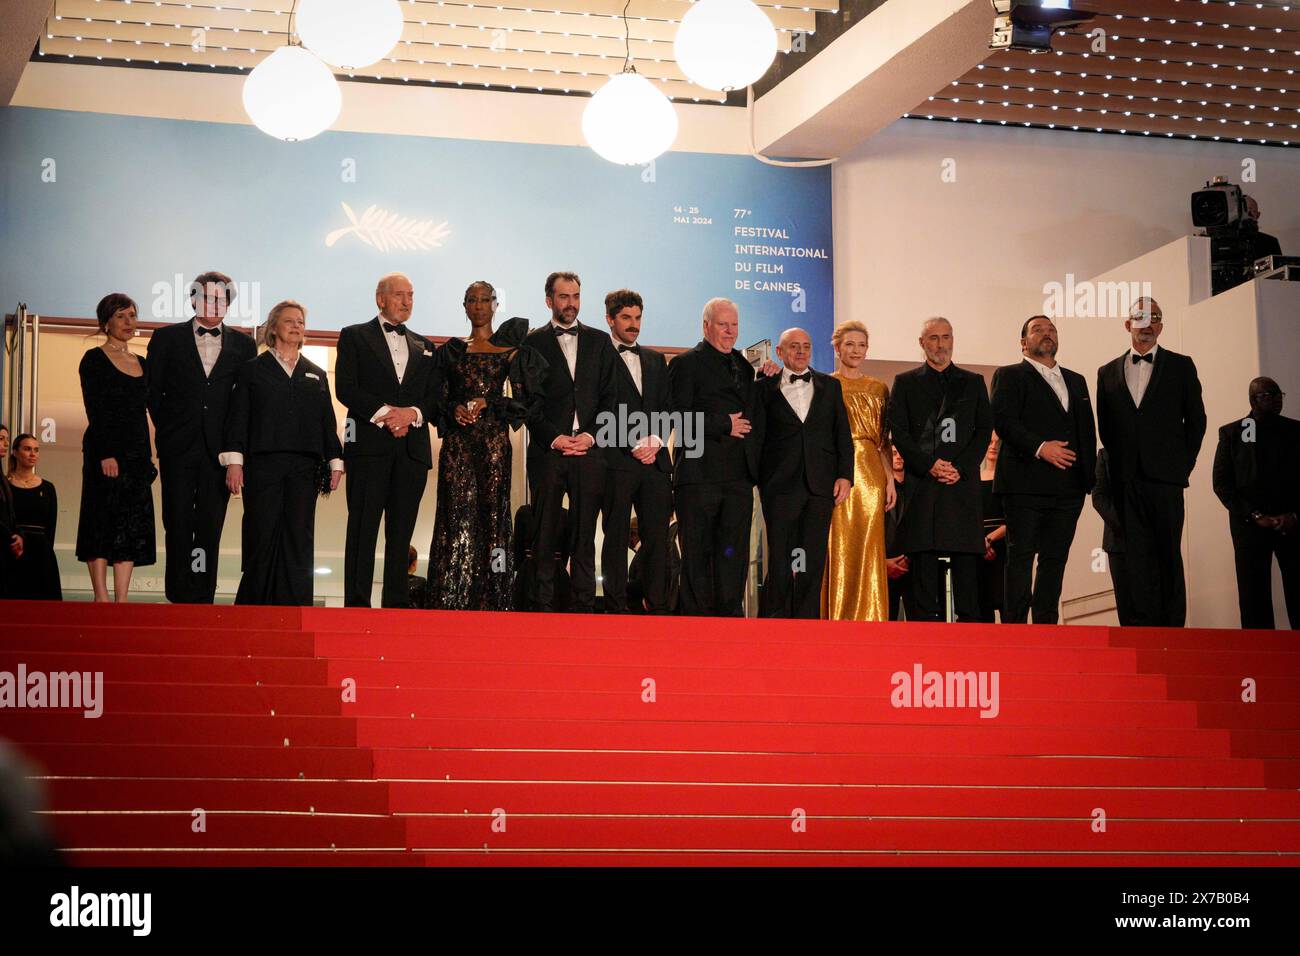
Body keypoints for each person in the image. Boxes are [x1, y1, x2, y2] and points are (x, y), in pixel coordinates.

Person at [428, 281, 544, 611]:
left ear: (496, 304)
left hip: (493, 443)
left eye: (485, 300)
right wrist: (454, 409)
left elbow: (527, 401)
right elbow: (436, 399)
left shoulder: (513, 352)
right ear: (464, 306)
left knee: (494, 517)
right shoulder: (450, 352)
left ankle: (494, 599)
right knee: (454, 516)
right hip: (457, 445)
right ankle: (449, 600)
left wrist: (489, 402)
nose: (478, 305)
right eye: (472, 300)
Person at [222, 300, 344, 606]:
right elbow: (238, 418)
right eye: (289, 320)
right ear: (273, 327)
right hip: (263, 463)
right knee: (261, 531)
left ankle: (295, 606)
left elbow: (326, 421)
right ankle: (253, 607)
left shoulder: (315, 373)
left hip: (305, 466)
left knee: (299, 535)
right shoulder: (252, 370)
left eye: (301, 321)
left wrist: (335, 461)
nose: (296, 326)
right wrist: (234, 462)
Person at [146, 270, 257, 603]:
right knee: (177, 521)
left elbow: (244, 402)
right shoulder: (166, 339)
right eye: (208, 297)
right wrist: (169, 428)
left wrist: (235, 452)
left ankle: (202, 599)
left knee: (210, 527)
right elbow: (153, 392)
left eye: (222, 298)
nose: (215, 303)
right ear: (193, 299)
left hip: (219, 452)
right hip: (177, 446)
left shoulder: (244, 343)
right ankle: (178, 597)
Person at [1096, 297, 1206, 627]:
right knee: (1135, 558)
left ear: (1161, 325)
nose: (1147, 324)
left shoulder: (1181, 365)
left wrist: (1180, 467)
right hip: (1126, 480)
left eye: (1154, 318)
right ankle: (1142, 629)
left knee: (1168, 553)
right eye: (1140, 318)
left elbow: (1196, 420)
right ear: (1127, 324)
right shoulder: (1106, 372)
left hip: (1166, 480)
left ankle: (1173, 627)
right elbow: (1106, 428)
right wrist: (1119, 475)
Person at [336, 273, 441, 608]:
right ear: (380, 298)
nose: (407, 301)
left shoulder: (427, 346)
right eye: (399, 295)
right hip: (369, 449)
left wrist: (410, 414)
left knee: (401, 534)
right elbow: (346, 388)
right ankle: (356, 605)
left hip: (411, 452)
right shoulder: (354, 336)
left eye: (411, 295)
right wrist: (387, 414)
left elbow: (435, 399)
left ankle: (395, 605)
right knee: (362, 529)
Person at [990, 316, 1096, 624]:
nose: (1046, 333)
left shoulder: (1076, 380)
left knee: (1055, 560)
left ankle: (1047, 628)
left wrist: (1088, 481)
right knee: (1020, 558)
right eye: (1038, 329)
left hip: (1069, 489)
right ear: (1023, 342)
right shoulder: (1009, 375)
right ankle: (1015, 629)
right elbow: (1004, 421)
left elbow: (1087, 430)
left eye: (1051, 329)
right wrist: (1041, 447)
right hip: (1024, 485)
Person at [522, 271, 617, 613]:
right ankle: (542, 607)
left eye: (576, 296)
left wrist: (590, 436)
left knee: (584, 537)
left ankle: (583, 609)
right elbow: (527, 401)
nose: (571, 303)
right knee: (544, 533)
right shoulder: (532, 343)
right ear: (549, 300)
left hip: (590, 453)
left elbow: (610, 397)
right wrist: (555, 437)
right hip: (549, 453)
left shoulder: (600, 341)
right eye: (564, 297)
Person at [668, 298, 767, 617]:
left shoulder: (744, 366)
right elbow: (677, 416)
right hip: (698, 477)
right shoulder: (686, 364)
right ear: (706, 326)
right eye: (723, 324)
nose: (730, 331)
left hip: (738, 479)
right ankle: (695, 628)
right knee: (697, 555)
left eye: (734, 324)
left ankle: (730, 624)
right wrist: (724, 423)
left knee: (733, 555)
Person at [889, 317, 992, 622]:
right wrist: (929, 465)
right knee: (924, 567)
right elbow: (899, 431)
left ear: (952, 339)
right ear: (922, 343)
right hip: (923, 485)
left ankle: (970, 636)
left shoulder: (973, 381)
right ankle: (925, 637)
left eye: (946, 337)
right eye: (933, 338)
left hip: (961, 486)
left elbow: (984, 430)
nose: (940, 344)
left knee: (965, 568)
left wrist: (960, 467)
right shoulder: (905, 382)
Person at [754, 327, 853, 620]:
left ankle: (807, 623)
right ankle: (775, 622)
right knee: (781, 556)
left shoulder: (830, 386)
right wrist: (760, 479)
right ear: (780, 353)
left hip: (820, 485)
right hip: (779, 485)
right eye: (793, 346)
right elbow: (757, 436)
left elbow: (842, 435)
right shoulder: (763, 387)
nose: (800, 351)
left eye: (806, 346)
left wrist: (845, 475)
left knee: (811, 556)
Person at [75, 293, 157, 603]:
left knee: (132, 521)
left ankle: (122, 598)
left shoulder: (143, 363)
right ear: (106, 321)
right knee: (101, 517)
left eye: (133, 315)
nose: (128, 322)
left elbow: (152, 411)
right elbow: (94, 407)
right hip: (103, 450)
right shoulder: (94, 359)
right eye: (121, 316)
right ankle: (101, 595)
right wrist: (106, 452)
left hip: (137, 453)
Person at [599, 289, 674, 615]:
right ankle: (616, 609)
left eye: (637, 317)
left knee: (658, 539)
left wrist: (655, 441)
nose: (633, 324)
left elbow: (669, 408)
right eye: (626, 318)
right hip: (616, 461)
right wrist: (632, 444)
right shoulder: (598, 357)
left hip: (655, 462)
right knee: (615, 536)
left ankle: (657, 608)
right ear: (610, 319)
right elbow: (597, 409)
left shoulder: (656, 359)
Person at [818, 321, 892, 621]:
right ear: (837, 347)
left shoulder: (879, 388)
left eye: (861, 345)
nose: (856, 350)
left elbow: (884, 440)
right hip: (837, 471)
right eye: (849, 344)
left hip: (871, 471)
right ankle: (836, 616)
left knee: (869, 543)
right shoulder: (824, 384)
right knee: (836, 542)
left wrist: (889, 480)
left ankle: (870, 617)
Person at [1211, 377, 1299, 629]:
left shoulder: (1296, 431)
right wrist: (1254, 514)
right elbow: (1222, 484)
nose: (1276, 399)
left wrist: (1294, 516)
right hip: (1250, 526)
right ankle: (1259, 660)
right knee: (1253, 599)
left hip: (1292, 524)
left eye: (1278, 393)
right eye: (1267, 395)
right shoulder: (1232, 433)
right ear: (1252, 400)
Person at [6, 434, 61, 600]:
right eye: (27, 449)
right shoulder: (5, 485)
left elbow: (51, 527)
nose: (33, 454)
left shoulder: (48, 488)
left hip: (41, 554)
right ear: (15, 452)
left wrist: (46, 553)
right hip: (14, 551)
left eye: (36, 450)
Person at [1092, 448, 1138, 626]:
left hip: (1150, 541)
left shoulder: (1151, 448)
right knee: (1125, 605)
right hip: (1118, 542)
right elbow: (1099, 497)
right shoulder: (1105, 454)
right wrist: (1127, 526)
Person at [975, 433, 1007, 623]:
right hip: (978, 550)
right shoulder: (972, 480)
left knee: (1006, 604)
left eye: (997, 442)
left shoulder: (1008, 479)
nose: (993, 446)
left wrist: (989, 539)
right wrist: (980, 542)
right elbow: (967, 517)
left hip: (1003, 549)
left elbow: (1014, 519)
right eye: (989, 442)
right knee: (982, 606)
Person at [883, 446, 910, 621]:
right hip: (885, 563)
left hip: (911, 561)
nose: (899, 457)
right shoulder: (879, 490)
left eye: (902, 453)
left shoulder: (915, 488)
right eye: (893, 453)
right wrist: (882, 562)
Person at [0, 425, 22, 598]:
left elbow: (8, 512)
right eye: (1, 439)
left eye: (7, 439)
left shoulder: (3, 477)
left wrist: (16, 535)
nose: (5, 443)